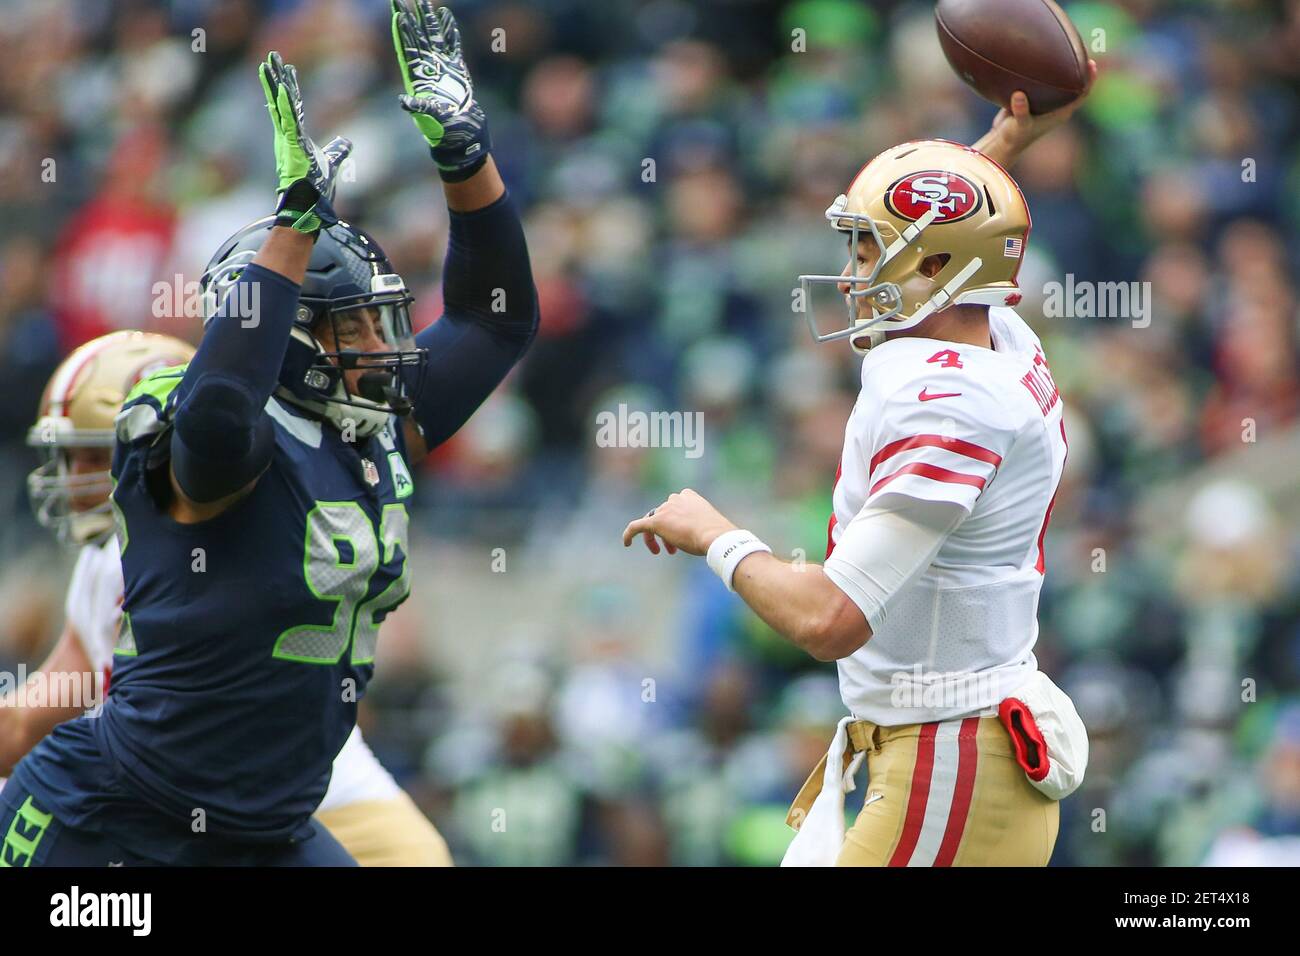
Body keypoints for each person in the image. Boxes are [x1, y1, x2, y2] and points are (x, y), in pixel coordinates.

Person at [0, 1, 536, 866]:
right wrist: (294, 229)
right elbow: (218, 425)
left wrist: (464, 157)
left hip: (269, 829)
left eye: (382, 324)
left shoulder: (370, 430)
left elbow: (496, 318)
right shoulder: (215, 437)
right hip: (116, 822)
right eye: (354, 330)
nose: (385, 349)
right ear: (286, 339)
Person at [621, 71, 1095, 866]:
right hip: (944, 751)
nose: (850, 276)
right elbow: (957, 248)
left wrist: (719, 539)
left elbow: (832, 619)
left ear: (935, 267)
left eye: (870, 250)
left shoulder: (949, 403)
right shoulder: (991, 333)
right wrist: (997, 153)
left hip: (950, 762)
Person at [1, 328, 451, 866]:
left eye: (97, 456)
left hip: (304, 801)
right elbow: (28, 721)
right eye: (69, 460)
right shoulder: (102, 562)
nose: (76, 480)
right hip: (184, 807)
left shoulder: (229, 546)